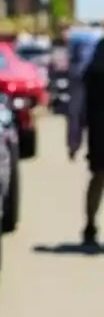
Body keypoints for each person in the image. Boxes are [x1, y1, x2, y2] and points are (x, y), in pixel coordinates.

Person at [68, 21, 104, 246]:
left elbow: (78, 104)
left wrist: (74, 138)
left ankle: (90, 225)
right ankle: (90, 225)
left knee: (98, 176)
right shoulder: (97, 58)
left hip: (98, 127)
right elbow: (80, 103)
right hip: (99, 126)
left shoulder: (95, 58)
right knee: (98, 176)